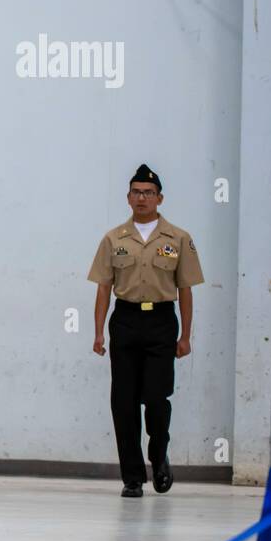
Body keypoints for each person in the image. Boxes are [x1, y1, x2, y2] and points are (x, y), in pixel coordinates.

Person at [88, 164, 203, 497]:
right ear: (128, 197)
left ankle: (158, 454)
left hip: (161, 323)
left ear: (159, 198)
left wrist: (185, 336)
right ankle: (133, 477)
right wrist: (98, 333)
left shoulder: (179, 239)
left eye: (148, 193)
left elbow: (186, 289)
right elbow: (103, 288)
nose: (142, 198)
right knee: (123, 402)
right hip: (124, 321)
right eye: (137, 192)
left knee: (156, 398)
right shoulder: (113, 239)